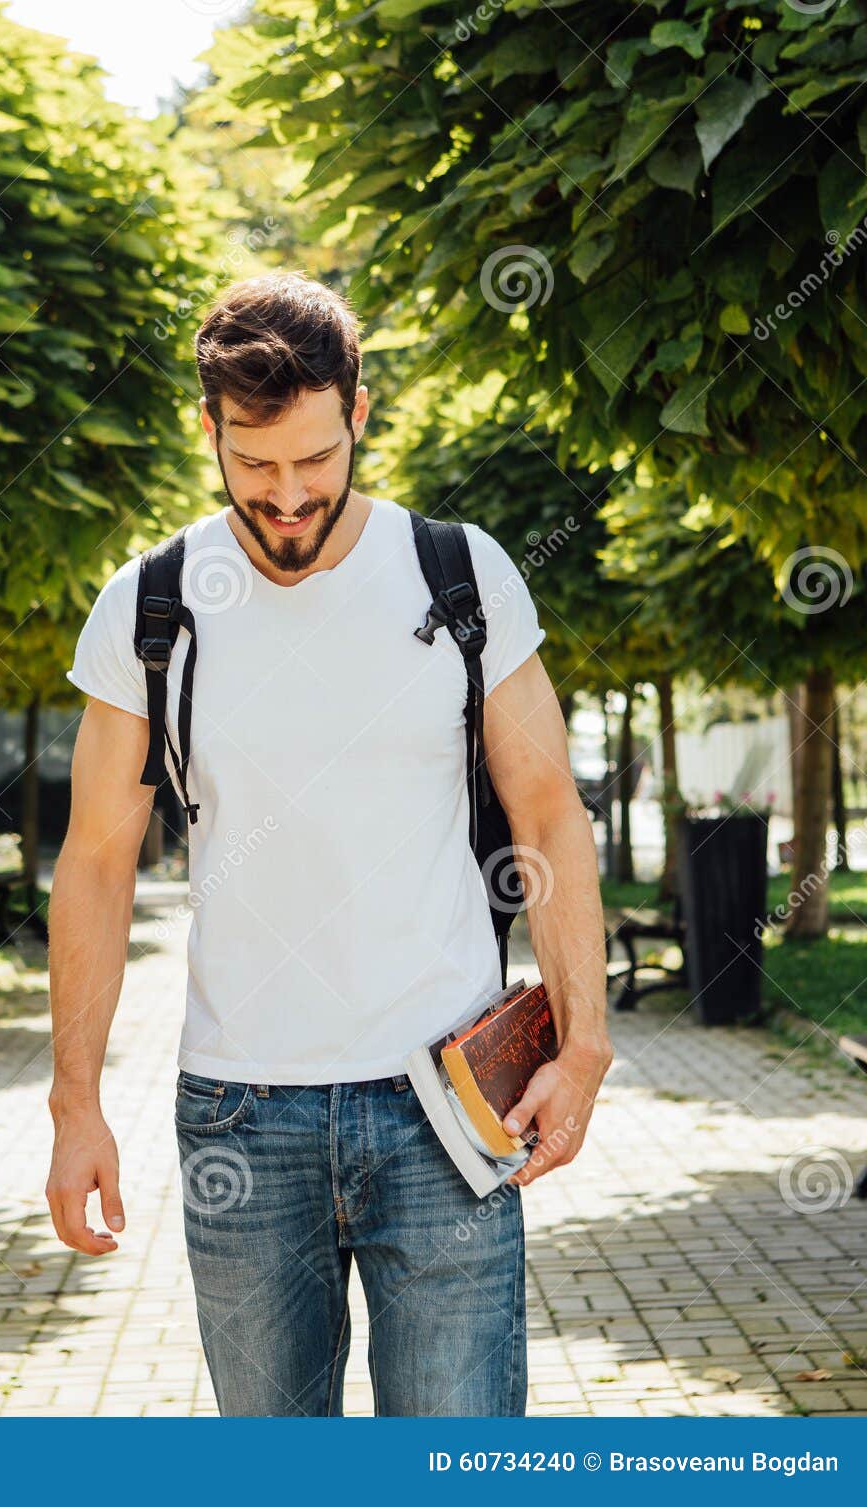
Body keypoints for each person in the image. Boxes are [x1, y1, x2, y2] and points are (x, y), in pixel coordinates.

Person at [45, 270, 612, 1417]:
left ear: (358, 412)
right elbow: (98, 861)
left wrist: (586, 1039)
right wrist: (73, 1103)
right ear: (207, 429)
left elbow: (548, 811)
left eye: (313, 459)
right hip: (241, 1120)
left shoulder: (458, 575)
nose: (288, 495)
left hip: (446, 1107)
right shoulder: (152, 607)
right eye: (254, 465)